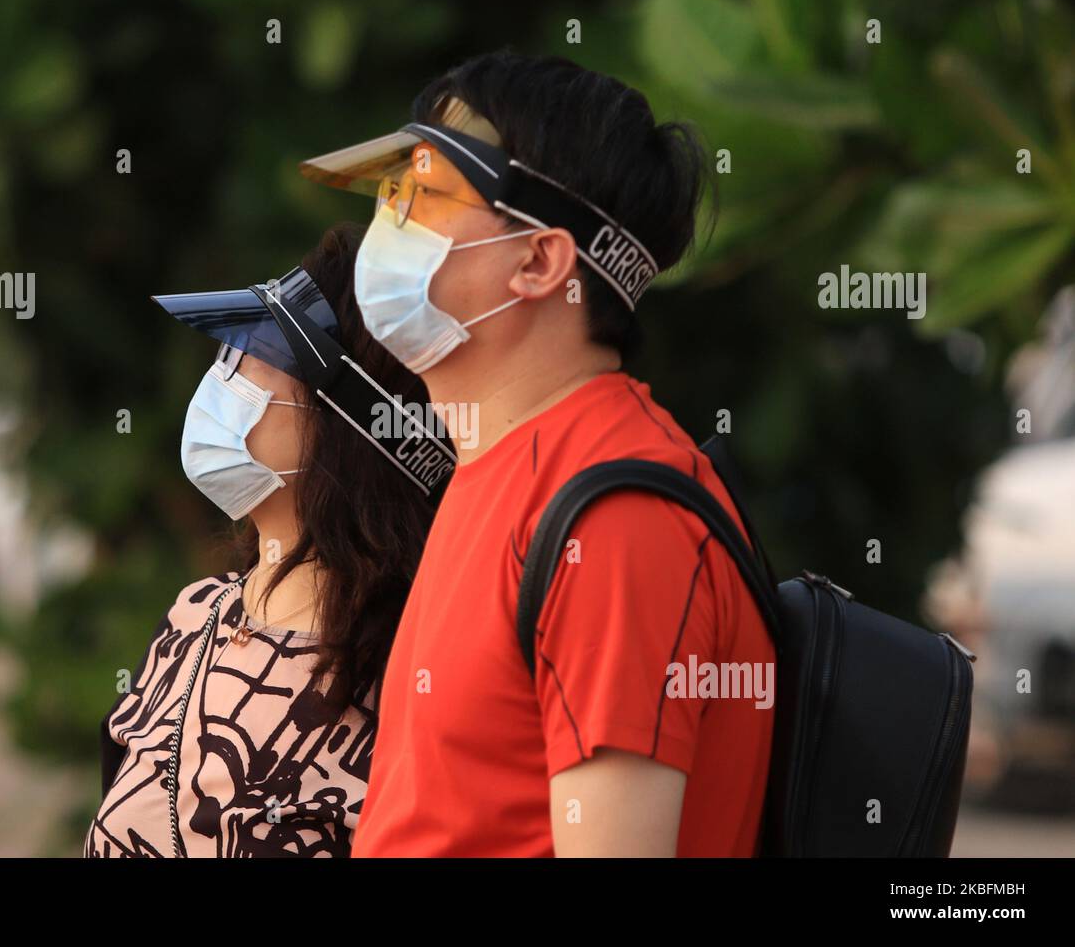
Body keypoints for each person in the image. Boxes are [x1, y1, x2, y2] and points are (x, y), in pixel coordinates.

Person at [299, 51, 776, 857]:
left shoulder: (618, 519)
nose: (388, 217)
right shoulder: (495, 473)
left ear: (538, 261)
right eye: (390, 188)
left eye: (427, 190)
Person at [84, 223, 449, 857]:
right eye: (227, 357)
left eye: (255, 358)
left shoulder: (411, 673)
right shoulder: (194, 616)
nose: (223, 380)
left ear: (351, 427)